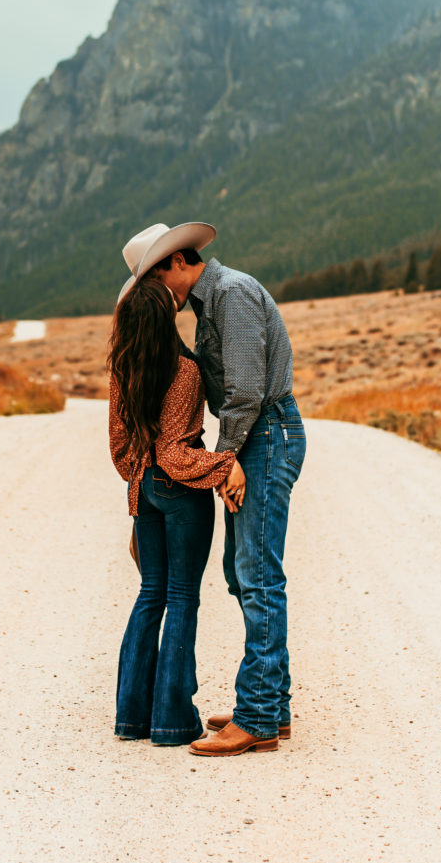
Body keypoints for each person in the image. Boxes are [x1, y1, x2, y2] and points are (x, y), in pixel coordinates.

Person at [118, 221, 305, 757]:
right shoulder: (209, 302)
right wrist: (226, 462)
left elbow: (245, 393)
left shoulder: (231, 293)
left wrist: (225, 460)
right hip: (256, 439)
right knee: (243, 572)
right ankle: (272, 702)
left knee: (257, 574)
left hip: (266, 434)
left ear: (177, 261)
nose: (156, 292)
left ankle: (259, 719)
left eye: (156, 276)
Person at [108, 267, 246, 746]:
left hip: (144, 486)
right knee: (182, 597)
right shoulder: (183, 371)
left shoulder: (123, 368)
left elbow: (122, 447)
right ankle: (170, 720)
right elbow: (173, 451)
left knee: (151, 594)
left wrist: (136, 493)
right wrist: (224, 463)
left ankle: (131, 716)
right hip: (178, 491)